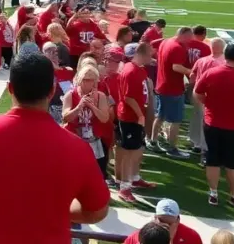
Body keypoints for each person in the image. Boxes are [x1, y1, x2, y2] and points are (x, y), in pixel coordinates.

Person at [0, 52, 110, 243]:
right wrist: (49, 209)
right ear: (52, 90)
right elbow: (97, 211)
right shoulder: (77, 149)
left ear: (10, 88)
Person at [193, 43, 234, 207]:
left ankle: (213, 194)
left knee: (212, 159)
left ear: (225, 56)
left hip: (211, 124)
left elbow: (197, 93)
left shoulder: (210, 73)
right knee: (232, 163)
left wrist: (207, 104)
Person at [116, 41, 156, 204]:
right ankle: (124, 187)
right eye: (149, 55)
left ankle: (134, 177)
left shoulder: (138, 69)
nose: (150, 59)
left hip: (136, 116)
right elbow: (128, 97)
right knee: (129, 152)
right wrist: (140, 115)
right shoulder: (131, 71)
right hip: (130, 117)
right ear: (142, 54)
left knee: (138, 149)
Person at [62, 64, 112, 178]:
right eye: (85, 79)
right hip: (75, 139)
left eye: (92, 80)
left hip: (94, 139)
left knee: (97, 173)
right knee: (75, 172)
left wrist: (93, 107)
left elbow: (104, 118)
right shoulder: (70, 95)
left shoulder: (100, 96)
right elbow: (65, 117)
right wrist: (79, 106)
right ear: (79, 80)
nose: (88, 83)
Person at [151, 27, 193, 158]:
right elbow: (176, 67)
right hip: (172, 88)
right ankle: (172, 148)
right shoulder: (177, 47)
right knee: (176, 120)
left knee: (160, 115)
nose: (189, 41)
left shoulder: (166, 42)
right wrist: (191, 72)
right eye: (189, 38)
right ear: (184, 35)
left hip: (162, 85)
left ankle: (153, 141)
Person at [188, 38, 226, 160]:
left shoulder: (201, 60)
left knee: (197, 118)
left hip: (197, 93)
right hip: (211, 96)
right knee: (209, 122)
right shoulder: (223, 62)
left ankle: (195, 143)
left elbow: (192, 76)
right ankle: (205, 148)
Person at [123, 199, 202, 244]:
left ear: (178, 220)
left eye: (169, 223)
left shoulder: (191, 237)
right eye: (161, 221)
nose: (165, 226)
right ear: (155, 217)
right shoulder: (142, 235)